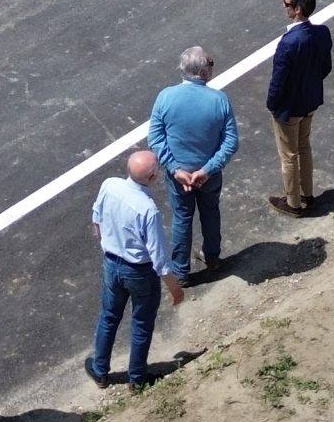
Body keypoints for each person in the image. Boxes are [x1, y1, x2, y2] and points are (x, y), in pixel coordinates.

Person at [86, 149, 185, 390]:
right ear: (152, 177)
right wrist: (176, 289)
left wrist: (105, 245)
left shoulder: (109, 185)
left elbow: (96, 217)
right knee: (141, 323)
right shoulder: (148, 210)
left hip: (111, 262)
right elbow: (159, 258)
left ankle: (100, 371)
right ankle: (137, 378)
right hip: (139, 272)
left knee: (109, 317)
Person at [146, 46, 239, 280]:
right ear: (204, 72)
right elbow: (230, 142)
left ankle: (181, 272)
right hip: (209, 174)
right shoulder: (219, 100)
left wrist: (176, 170)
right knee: (210, 213)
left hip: (179, 176)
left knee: (182, 218)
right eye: (210, 62)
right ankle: (213, 259)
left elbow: (155, 139)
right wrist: (207, 170)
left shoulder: (165, 97)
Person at [266, 0, 333, 219]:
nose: (283, 7)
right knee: (304, 147)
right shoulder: (322, 33)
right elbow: (326, 67)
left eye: (286, 4)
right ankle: (307, 194)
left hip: (289, 108)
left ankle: (293, 203)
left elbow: (278, 82)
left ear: (297, 9)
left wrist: (272, 105)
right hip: (310, 102)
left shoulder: (288, 43)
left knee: (289, 155)